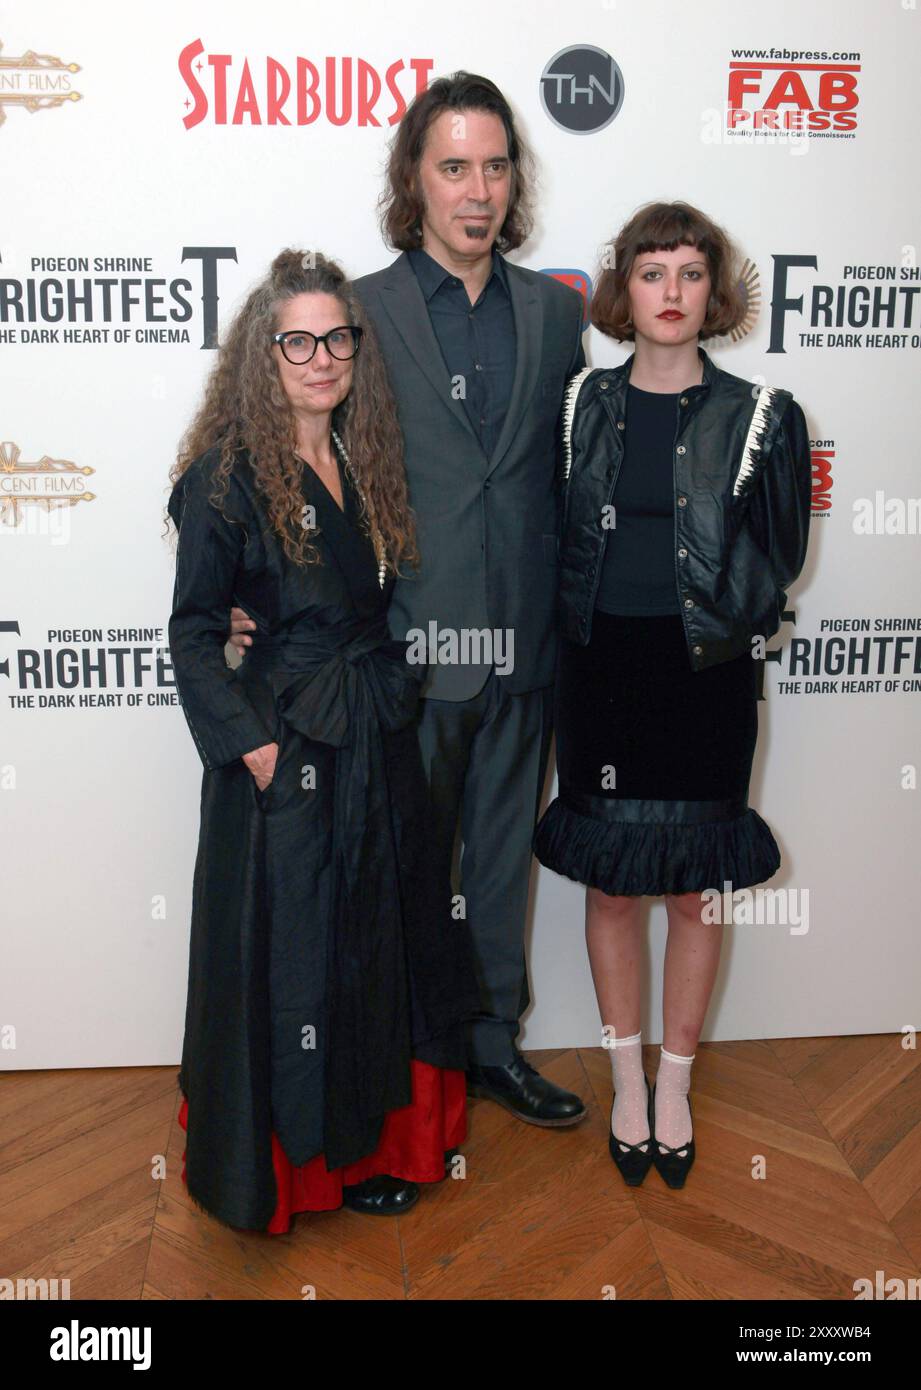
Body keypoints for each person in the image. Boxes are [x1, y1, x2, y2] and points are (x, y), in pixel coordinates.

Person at [231, 74, 588, 1127]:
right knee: (393, 877)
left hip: (522, 645)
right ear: (415, 179)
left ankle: (490, 1049)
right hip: (401, 651)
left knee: (499, 870)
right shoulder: (363, 314)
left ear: (512, 179)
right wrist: (247, 592)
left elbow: (561, 478)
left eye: (493, 166)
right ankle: (399, 1073)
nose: (476, 191)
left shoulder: (560, 314)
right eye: (452, 167)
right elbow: (287, 448)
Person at [166, 249, 480, 1234]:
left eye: (335, 337)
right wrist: (251, 747)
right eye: (296, 339)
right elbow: (191, 629)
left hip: (373, 745)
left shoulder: (361, 457)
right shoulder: (223, 477)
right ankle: (289, 1169)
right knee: (295, 958)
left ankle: (367, 1150)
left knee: (374, 948)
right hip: (284, 757)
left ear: (354, 348)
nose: (319, 357)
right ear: (263, 352)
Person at [533, 201, 812, 1188]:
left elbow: (778, 556)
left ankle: (677, 1081)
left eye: (690, 274)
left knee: (694, 888)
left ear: (713, 292)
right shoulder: (581, 404)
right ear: (626, 289)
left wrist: (725, 628)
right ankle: (625, 1077)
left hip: (703, 677)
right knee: (614, 883)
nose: (671, 293)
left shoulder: (763, 413)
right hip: (602, 668)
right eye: (652, 273)